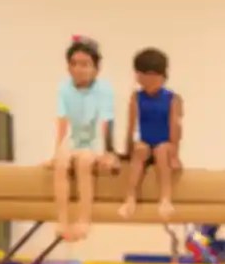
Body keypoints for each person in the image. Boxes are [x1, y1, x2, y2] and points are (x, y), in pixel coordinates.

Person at [50, 37, 117, 241]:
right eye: (75, 64)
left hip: (94, 141)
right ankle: (61, 219)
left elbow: (106, 123)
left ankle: (84, 219)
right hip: (75, 140)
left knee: (84, 161)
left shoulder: (104, 89)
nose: (80, 69)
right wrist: (57, 152)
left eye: (86, 64)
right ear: (69, 67)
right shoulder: (64, 88)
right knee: (62, 162)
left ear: (96, 68)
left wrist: (107, 153)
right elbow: (62, 122)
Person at [120, 47, 183, 221]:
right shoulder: (136, 98)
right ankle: (130, 198)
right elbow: (131, 127)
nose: (143, 79)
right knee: (140, 150)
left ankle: (165, 198)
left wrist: (175, 155)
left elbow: (175, 128)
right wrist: (128, 151)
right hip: (146, 144)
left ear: (160, 76)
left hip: (165, 145)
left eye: (149, 75)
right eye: (140, 74)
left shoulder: (172, 99)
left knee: (161, 151)